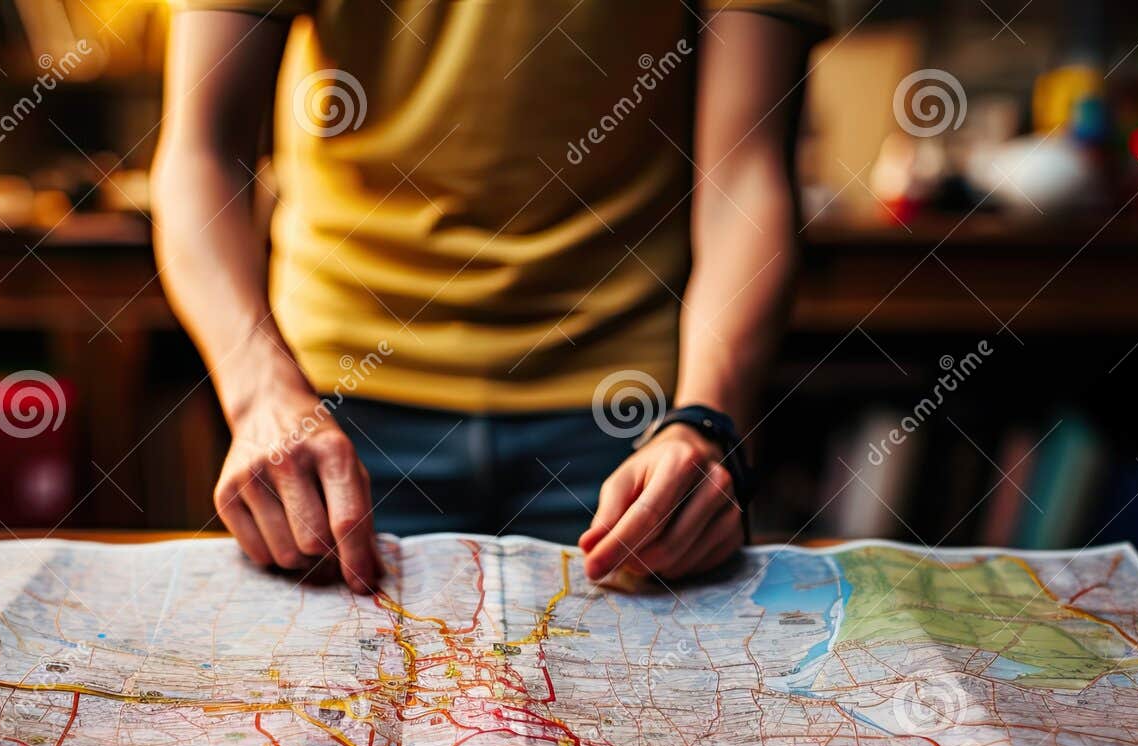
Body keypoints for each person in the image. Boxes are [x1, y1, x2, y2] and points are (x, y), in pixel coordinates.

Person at [153, 0, 827, 593]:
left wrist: (705, 421)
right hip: (330, 417)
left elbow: (747, 169)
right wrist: (260, 393)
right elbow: (201, 153)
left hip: (634, 421)